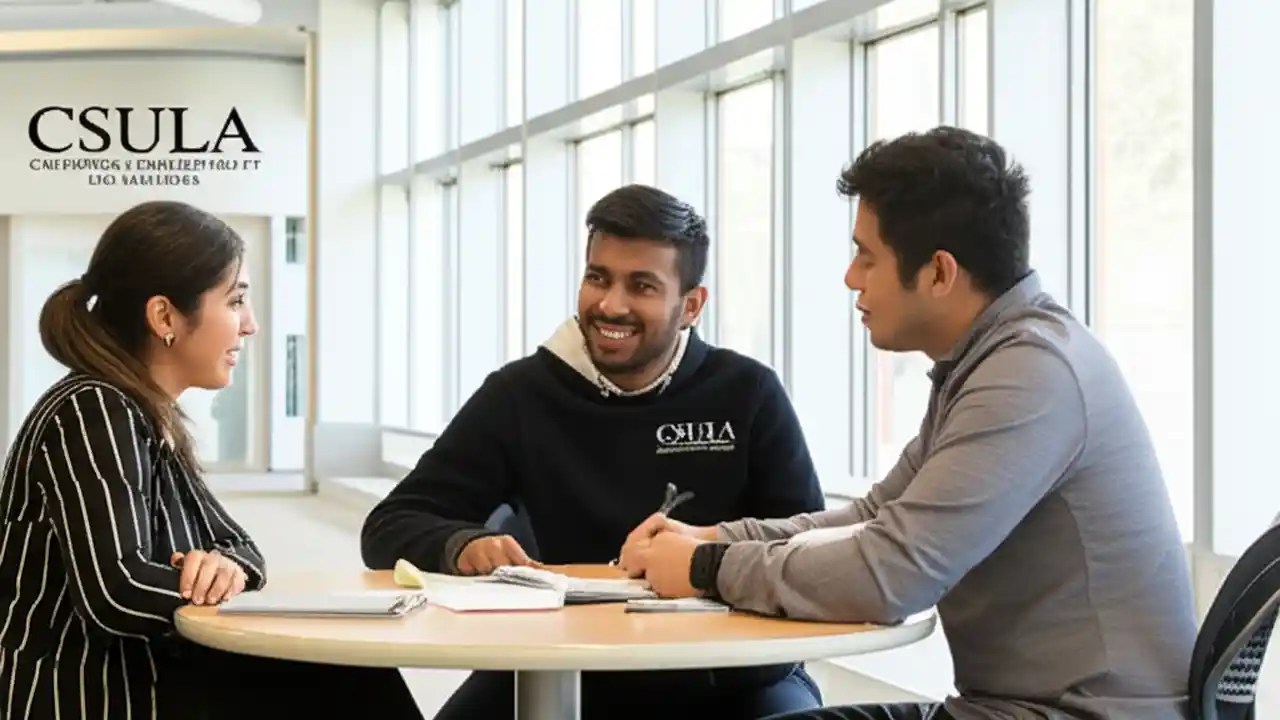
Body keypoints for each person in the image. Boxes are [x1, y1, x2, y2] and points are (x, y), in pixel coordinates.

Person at [618, 127, 1198, 720]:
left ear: (939, 273)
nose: (851, 278)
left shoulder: (1030, 376)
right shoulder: (988, 361)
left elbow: (891, 576)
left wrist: (702, 570)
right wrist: (715, 539)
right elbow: (874, 518)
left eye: (867, 257)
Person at [361, 184, 827, 719]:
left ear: (691, 305)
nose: (611, 304)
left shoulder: (749, 394)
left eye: (642, 286)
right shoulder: (521, 395)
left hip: (733, 676)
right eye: (597, 277)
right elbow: (389, 525)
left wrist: (703, 565)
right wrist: (462, 545)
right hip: (557, 668)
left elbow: (808, 548)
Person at [0, 201, 424, 720]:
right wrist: (210, 581)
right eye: (235, 301)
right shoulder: (95, 410)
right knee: (349, 685)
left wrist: (223, 568)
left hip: (152, 682)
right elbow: (118, 588)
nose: (250, 325)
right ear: (164, 316)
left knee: (351, 679)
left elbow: (242, 549)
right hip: (93, 697)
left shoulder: (144, 413)